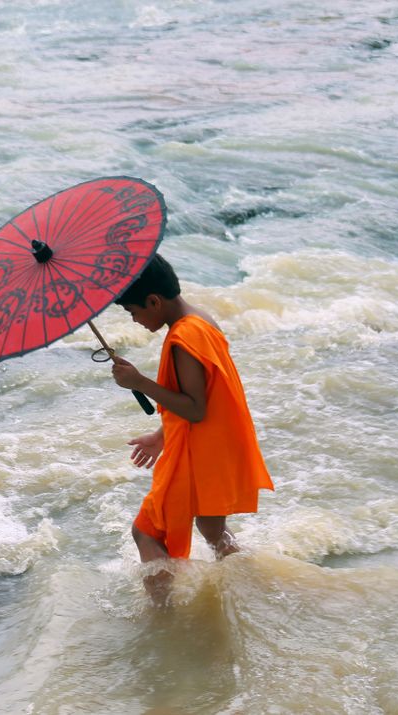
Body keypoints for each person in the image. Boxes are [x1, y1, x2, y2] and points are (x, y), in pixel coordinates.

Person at [109, 253, 273, 603]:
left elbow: (196, 409)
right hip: (223, 445)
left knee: (145, 532)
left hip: (203, 455)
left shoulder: (184, 338)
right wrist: (161, 435)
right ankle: (254, 594)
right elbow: (207, 398)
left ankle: (162, 617)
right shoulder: (201, 319)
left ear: (154, 300)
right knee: (214, 532)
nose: (136, 321)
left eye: (134, 312)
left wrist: (139, 381)